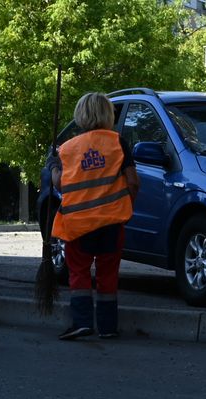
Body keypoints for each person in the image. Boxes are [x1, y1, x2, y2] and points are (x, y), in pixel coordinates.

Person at [48, 92, 140, 340]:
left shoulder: (67, 149)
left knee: (78, 272)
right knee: (108, 273)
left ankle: (82, 322)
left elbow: (59, 184)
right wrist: (126, 206)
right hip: (111, 222)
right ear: (108, 114)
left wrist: (53, 165)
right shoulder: (118, 142)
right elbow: (133, 181)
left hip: (78, 224)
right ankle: (108, 327)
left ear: (81, 115)